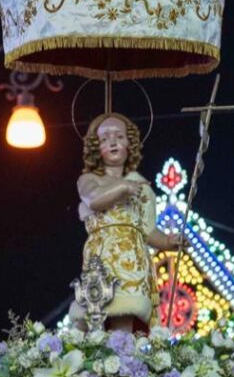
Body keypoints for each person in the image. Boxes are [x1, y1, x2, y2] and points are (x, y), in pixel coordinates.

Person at [67, 112, 180, 332]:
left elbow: (147, 230)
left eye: (119, 136)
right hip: (102, 259)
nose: (113, 142)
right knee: (93, 317)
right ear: (95, 147)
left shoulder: (141, 187)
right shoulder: (90, 180)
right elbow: (95, 199)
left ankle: (122, 363)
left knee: (125, 321)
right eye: (105, 138)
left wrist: (168, 241)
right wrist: (123, 188)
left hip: (133, 263)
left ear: (130, 143)